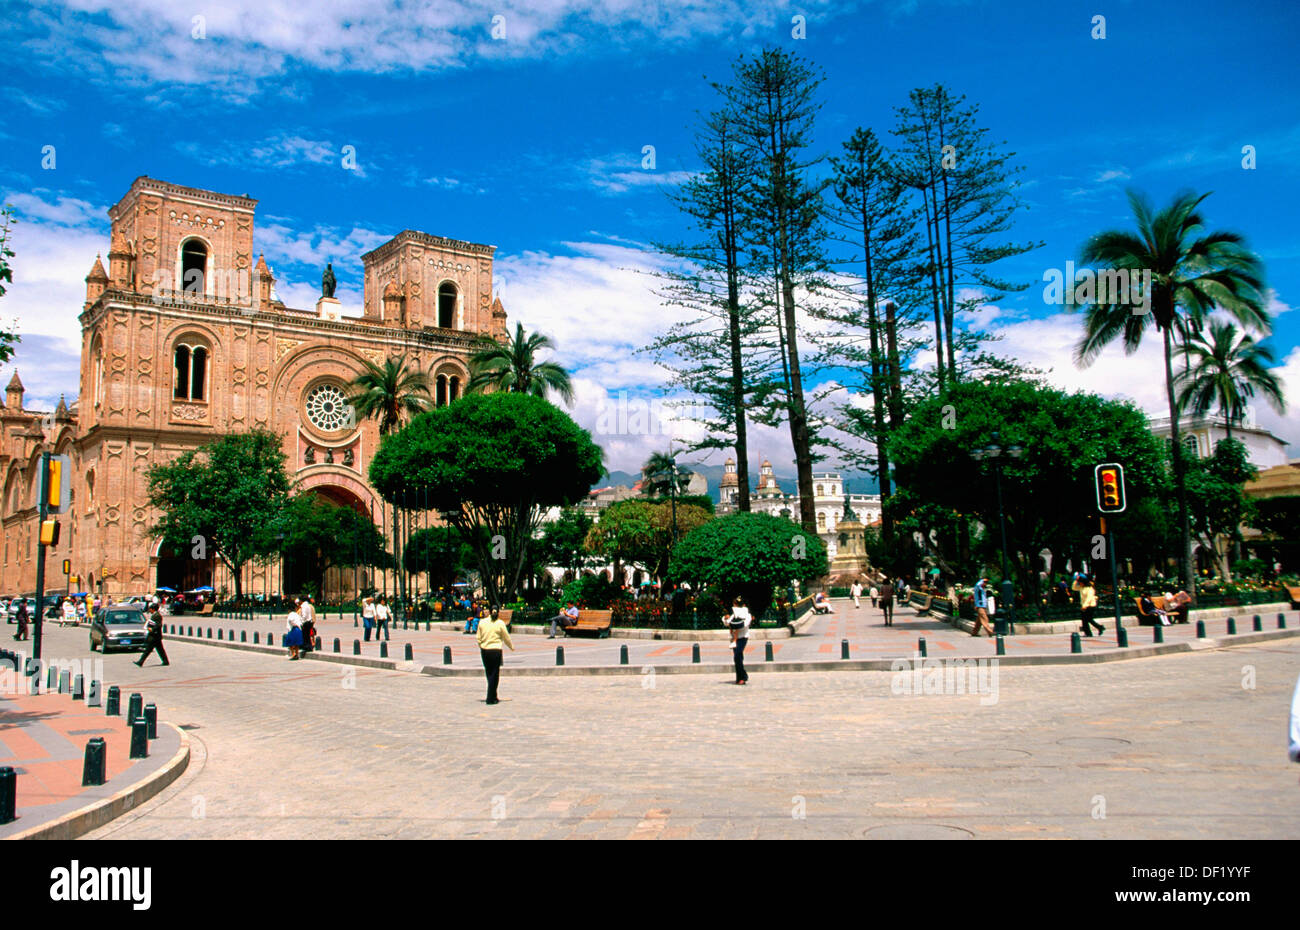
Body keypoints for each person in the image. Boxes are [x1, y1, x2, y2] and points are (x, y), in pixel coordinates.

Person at [476, 608, 513, 704]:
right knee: (495, 674)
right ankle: (490, 698)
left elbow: (478, 638)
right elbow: (506, 637)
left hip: (485, 651)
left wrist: (482, 645)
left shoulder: (482, 622)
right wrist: (511, 647)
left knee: (489, 673)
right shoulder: (500, 623)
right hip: (496, 650)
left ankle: (494, 695)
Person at [723, 596, 751, 685]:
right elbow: (726, 622)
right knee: (738, 657)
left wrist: (738, 620)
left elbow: (745, 624)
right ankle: (741, 677)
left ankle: (742, 676)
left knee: (738, 655)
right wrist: (726, 618)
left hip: (743, 637)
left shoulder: (747, 615)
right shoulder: (733, 614)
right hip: (734, 637)